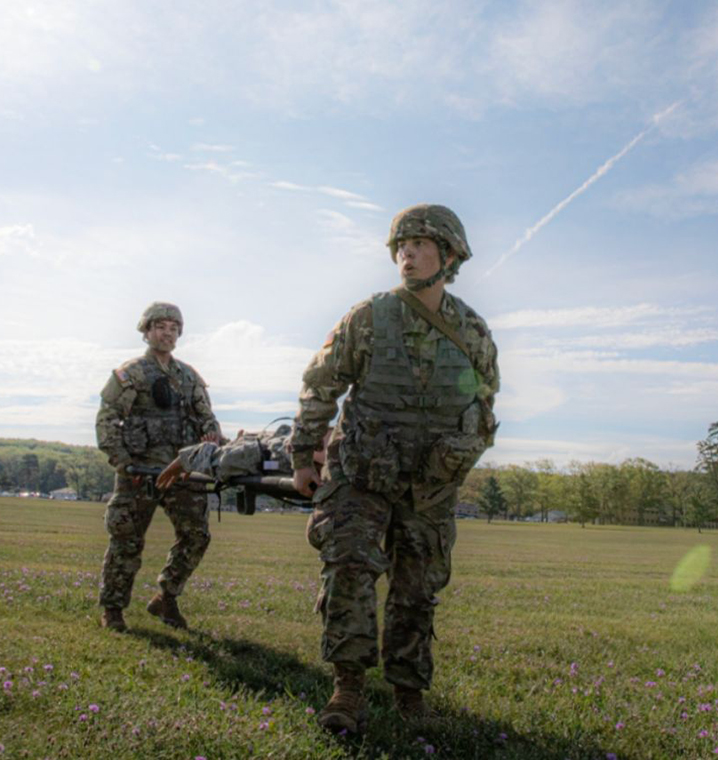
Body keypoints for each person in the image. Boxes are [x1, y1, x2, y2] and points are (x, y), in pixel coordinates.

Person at [290, 204, 500, 733]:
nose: (406, 254)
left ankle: (409, 693)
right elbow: (321, 386)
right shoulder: (369, 316)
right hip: (362, 473)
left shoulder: (471, 330)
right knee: (350, 569)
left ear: (449, 256)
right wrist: (302, 455)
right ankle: (348, 688)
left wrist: (455, 459)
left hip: (429, 486)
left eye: (420, 245)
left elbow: (485, 407)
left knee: (417, 588)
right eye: (401, 247)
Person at [96, 302, 221, 632]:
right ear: (147, 331)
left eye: (173, 328)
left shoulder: (189, 376)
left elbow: (207, 418)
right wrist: (123, 463)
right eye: (160, 327)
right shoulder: (131, 374)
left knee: (197, 536)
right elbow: (107, 420)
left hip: (181, 471)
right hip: (140, 473)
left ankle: (166, 597)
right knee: (126, 540)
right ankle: (113, 610)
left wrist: (211, 437)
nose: (167, 333)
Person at [156, 423, 326, 489]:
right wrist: (188, 461)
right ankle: (222, 446)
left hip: (272, 450)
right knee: (223, 461)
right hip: (269, 454)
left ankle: (227, 445)